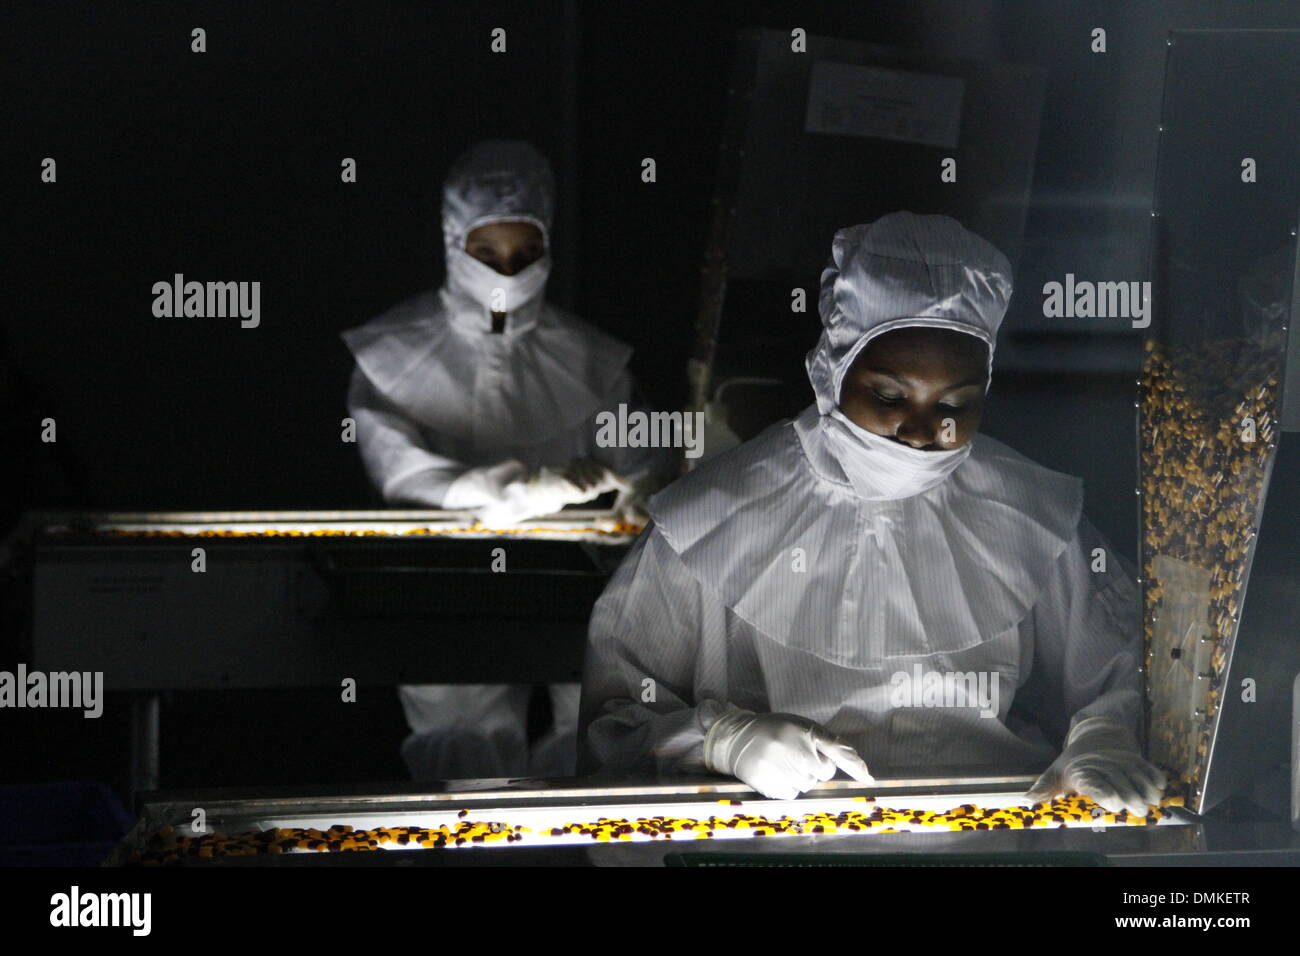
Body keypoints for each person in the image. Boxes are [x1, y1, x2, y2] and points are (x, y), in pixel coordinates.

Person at [578, 211, 1167, 814]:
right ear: (833, 369)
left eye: (956, 404)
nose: (921, 431)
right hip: (778, 836)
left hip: (987, 832)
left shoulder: (1030, 513)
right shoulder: (710, 518)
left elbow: (1117, 666)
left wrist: (1103, 735)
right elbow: (616, 724)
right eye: (889, 396)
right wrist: (720, 742)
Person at [342, 140, 673, 780]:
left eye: (524, 254)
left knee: (594, 737)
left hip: (577, 586)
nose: (506, 272)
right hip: (443, 586)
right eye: (487, 254)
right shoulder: (391, 356)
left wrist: (643, 489)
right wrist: (522, 488)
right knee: (460, 752)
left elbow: (638, 455)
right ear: (452, 243)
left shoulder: (589, 358)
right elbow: (404, 476)